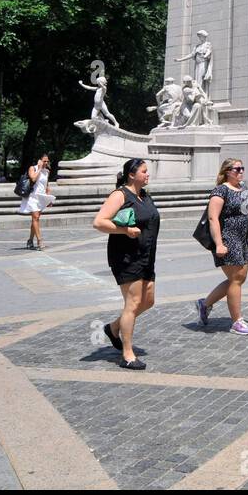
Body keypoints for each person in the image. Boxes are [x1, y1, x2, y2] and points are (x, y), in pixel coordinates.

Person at [93, 158, 160, 370]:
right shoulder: (120, 195)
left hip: (146, 255)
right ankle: (127, 354)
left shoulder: (144, 195)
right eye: (144, 171)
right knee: (132, 303)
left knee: (147, 301)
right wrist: (125, 230)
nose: (147, 175)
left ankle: (113, 328)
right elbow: (99, 221)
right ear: (132, 174)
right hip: (126, 257)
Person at [197, 158, 248, 335]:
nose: (241, 172)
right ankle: (236, 321)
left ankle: (205, 304)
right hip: (227, 239)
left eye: (242, 168)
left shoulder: (244, 189)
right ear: (227, 171)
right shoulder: (220, 191)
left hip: (242, 239)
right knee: (236, 280)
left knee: (238, 279)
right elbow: (213, 218)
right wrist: (219, 244)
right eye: (237, 169)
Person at [17, 154, 56, 250]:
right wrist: (38, 168)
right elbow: (33, 178)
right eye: (44, 161)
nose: (46, 163)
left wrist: (48, 199)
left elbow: (46, 186)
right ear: (39, 160)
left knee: (35, 220)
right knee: (36, 217)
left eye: (47, 161)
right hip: (32, 196)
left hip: (41, 197)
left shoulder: (47, 171)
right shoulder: (32, 168)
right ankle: (39, 241)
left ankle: (30, 240)